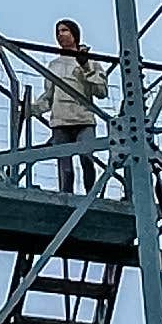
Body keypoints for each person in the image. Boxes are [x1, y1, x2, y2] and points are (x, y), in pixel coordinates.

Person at [36, 16, 112, 192]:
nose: (60, 35)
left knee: (87, 158)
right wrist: (31, 109)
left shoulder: (90, 61)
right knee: (66, 169)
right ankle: (67, 198)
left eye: (64, 30)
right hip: (60, 122)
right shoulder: (54, 65)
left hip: (83, 119)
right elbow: (48, 97)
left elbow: (101, 91)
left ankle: (91, 194)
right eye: (58, 32)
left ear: (74, 34)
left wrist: (85, 66)